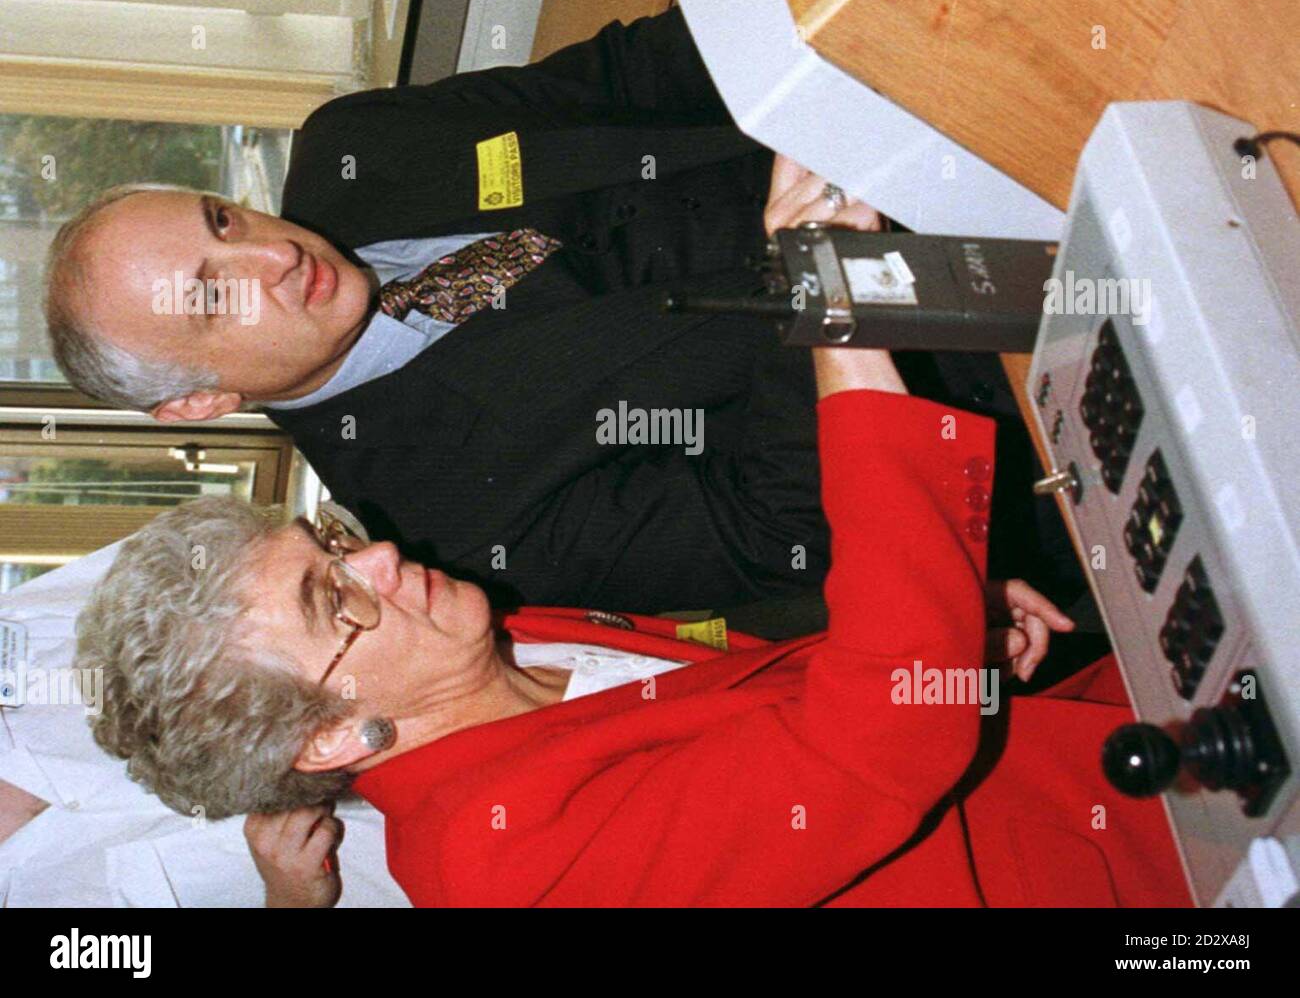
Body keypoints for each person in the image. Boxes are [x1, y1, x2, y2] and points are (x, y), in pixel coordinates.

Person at [75, 347, 1189, 907]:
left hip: (1080, 757)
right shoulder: (496, 863)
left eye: (326, 543)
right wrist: (843, 337)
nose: (373, 557)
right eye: (334, 597)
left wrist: (945, 623)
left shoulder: (501, 640)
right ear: (325, 739)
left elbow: (785, 715)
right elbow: (869, 745)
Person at [42, 8, 882, 618]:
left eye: (223, 220)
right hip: (932, 341)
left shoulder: (352, 149)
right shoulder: (447, 524)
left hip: (869, 111)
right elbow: (777, 526)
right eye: (213, 297)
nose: (276, 256)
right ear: (200, 402)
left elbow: (628, 76)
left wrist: (817, 26)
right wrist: (809, 276)